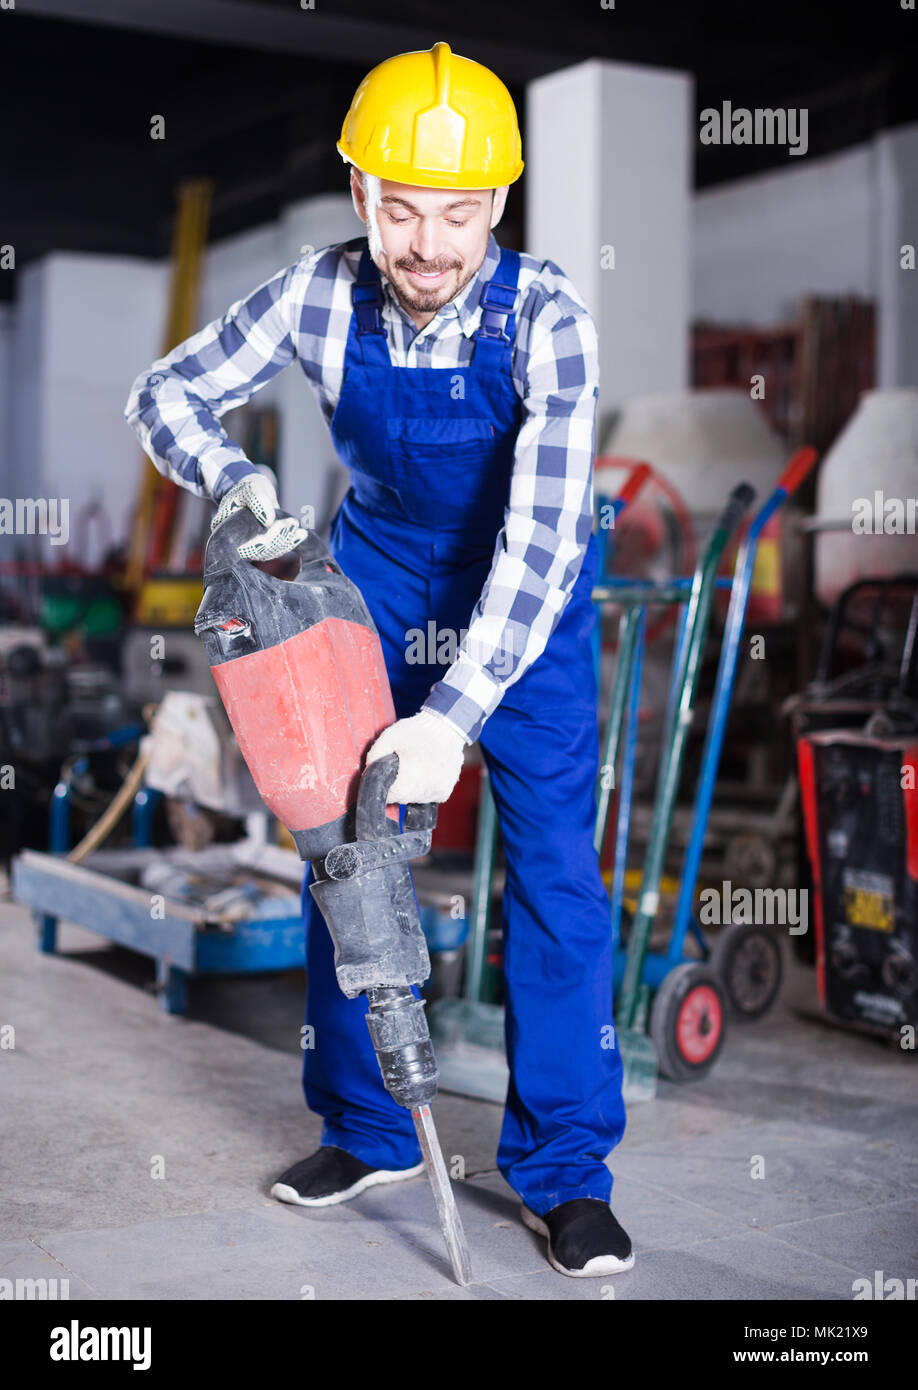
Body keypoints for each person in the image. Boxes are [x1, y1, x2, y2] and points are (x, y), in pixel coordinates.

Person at [126, 42, 632, 1279]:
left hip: (528, 603)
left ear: (497, 207)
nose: (428, 245)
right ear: (362, 196)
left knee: (557, 879)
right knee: (341, 846)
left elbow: (542, 536)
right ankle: (365, 1128)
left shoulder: (550, 322)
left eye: (459, 214)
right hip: (374, 581)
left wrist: (455, 711)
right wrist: (239, 484)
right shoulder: (317, 294)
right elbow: (167, 393)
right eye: (401, 209)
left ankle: (564, 1171)